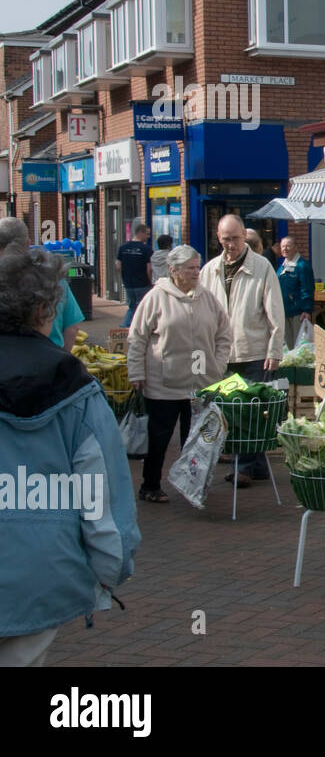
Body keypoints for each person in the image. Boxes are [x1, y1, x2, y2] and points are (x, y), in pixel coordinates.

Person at [0, 242, 139, 666]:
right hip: (38, 578)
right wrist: (109, 573)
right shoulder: (77, 389)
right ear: (45, 311)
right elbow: (102, 503)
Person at [127, 245, 232, 504]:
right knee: (159, 438)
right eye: (191, 268)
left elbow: (224, 335)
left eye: (198, 267)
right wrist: (136, 372)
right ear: (174, 271)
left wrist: (217, 367)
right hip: (164, 384)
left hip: (201, 384)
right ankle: (150, 485)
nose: (197, 272)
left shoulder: (207, 297)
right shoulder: (155, 297)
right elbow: (137, 337)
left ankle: (192, 486)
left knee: (196, 440)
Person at [200, 214, 285, 486]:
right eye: (226, 239)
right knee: (230, 411)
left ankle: (245, 467)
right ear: (219, 238)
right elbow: (201, 313)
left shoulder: (262, 268)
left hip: (253, 351)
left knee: (249, 411)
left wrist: (274, 351)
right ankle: (255, 465)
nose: (231, 244)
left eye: (236, 239)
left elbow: (275, 313)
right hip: (221, 354)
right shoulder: (210, 269)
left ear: (244, 237)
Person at [0, 217, 81, 348]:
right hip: (49, 357)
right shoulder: (51, 278)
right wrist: (61, 358)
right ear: (28, 243)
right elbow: (72, 327)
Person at [277, 235, 315, 349]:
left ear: (296, 247)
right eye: (283, 246)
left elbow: (307, 288)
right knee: (287, 345)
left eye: (288, 246)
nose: (285, 249)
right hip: (284, 311)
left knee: (298, 344)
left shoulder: (302, 266)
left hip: (298, 312)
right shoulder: (282, 266)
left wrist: (307, 310)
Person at [116, 219, 153, 328]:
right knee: (144, 307)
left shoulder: (122, 248)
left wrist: (124, 278)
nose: (148, 236)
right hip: (142, 284)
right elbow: (149, 269)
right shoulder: (146, 249)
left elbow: (118, 266)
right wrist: (150, 282)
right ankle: (137, 328)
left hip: (128, 284)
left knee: (132, 306)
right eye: (147, 234)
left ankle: (126, 326)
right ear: (140, 233)